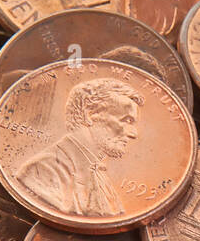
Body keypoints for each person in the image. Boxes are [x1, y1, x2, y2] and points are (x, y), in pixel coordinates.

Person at [15, 77, 143, 217]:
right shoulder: (42, 170)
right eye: (126, 120)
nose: (133, 134)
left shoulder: (99, 174)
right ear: (90, 115)